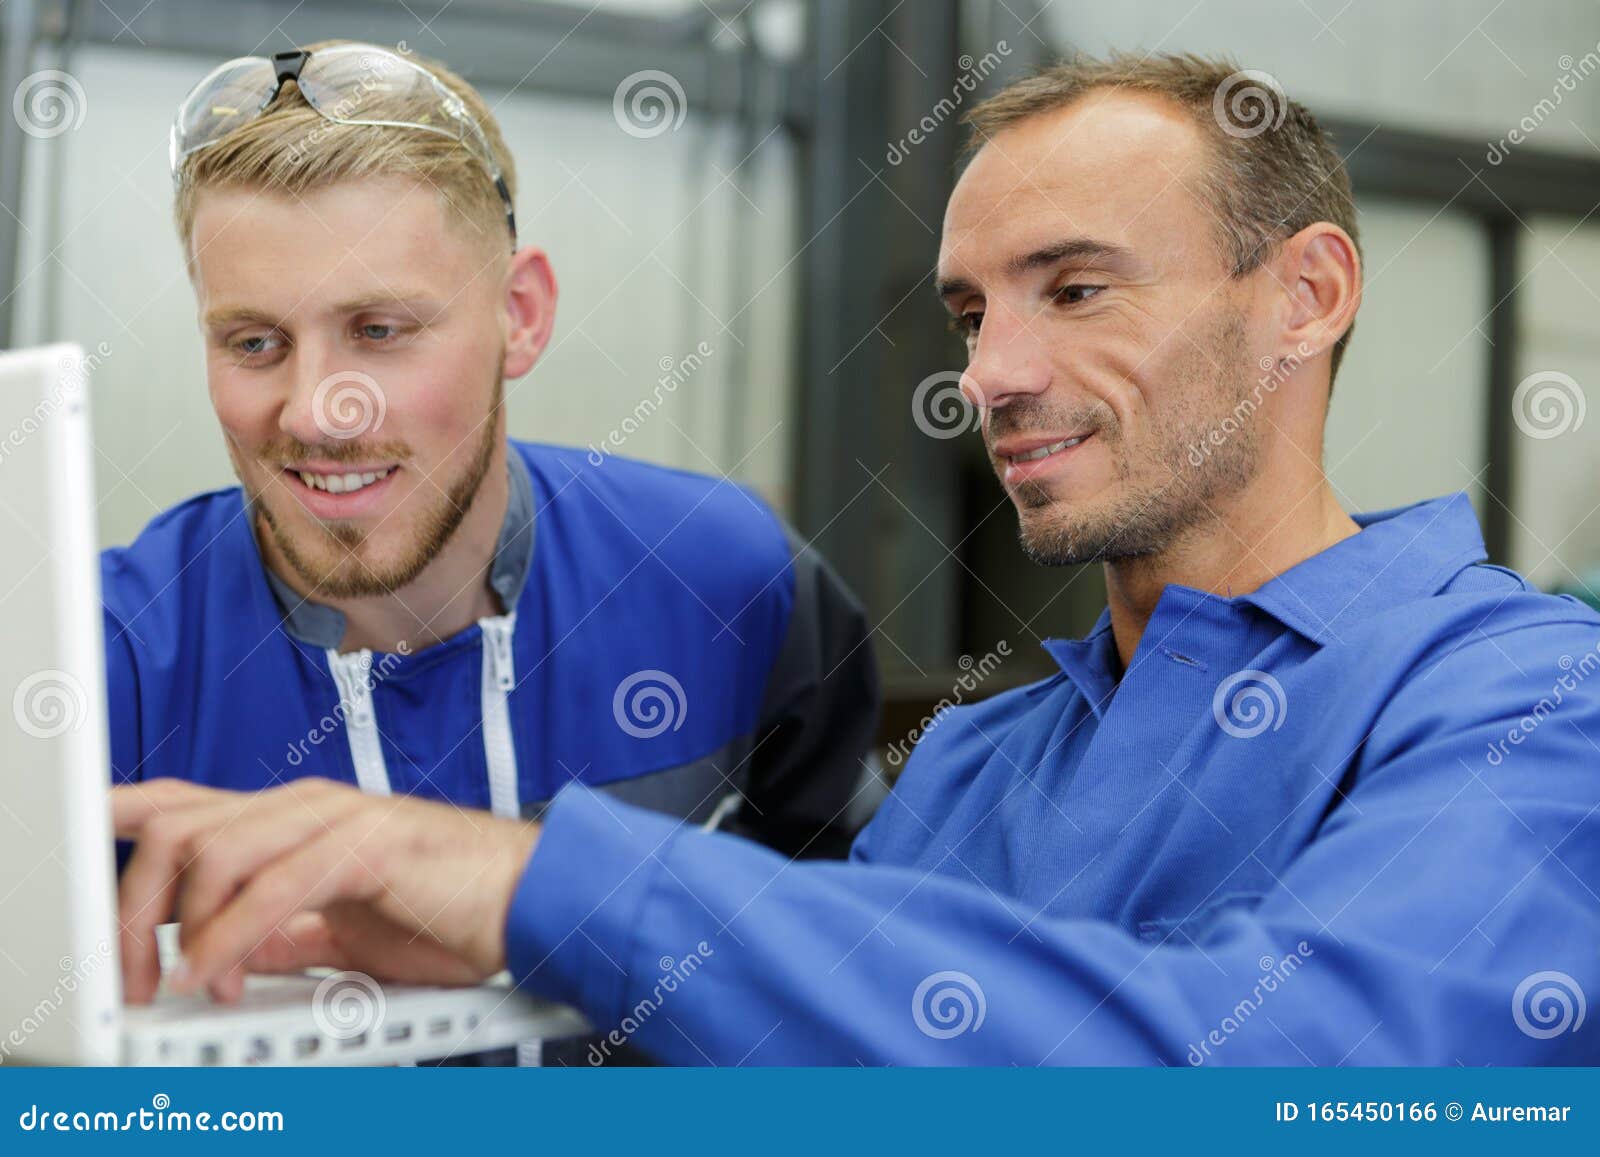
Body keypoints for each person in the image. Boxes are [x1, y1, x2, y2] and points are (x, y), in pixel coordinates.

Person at [114, 53, 1600, 1066]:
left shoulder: (1528, 703)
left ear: (1309, 294)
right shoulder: (971, 773)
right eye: (969, 315)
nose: (993, 373)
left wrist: (534, 882)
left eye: (1073, 288)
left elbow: (1281, 1081)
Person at [105, 40, 882, 1057]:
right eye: (254, 342)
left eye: (380, 329)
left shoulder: (721, 577)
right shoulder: (96, 660)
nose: (315, 410)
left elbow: (863, 939)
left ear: (519, 315)